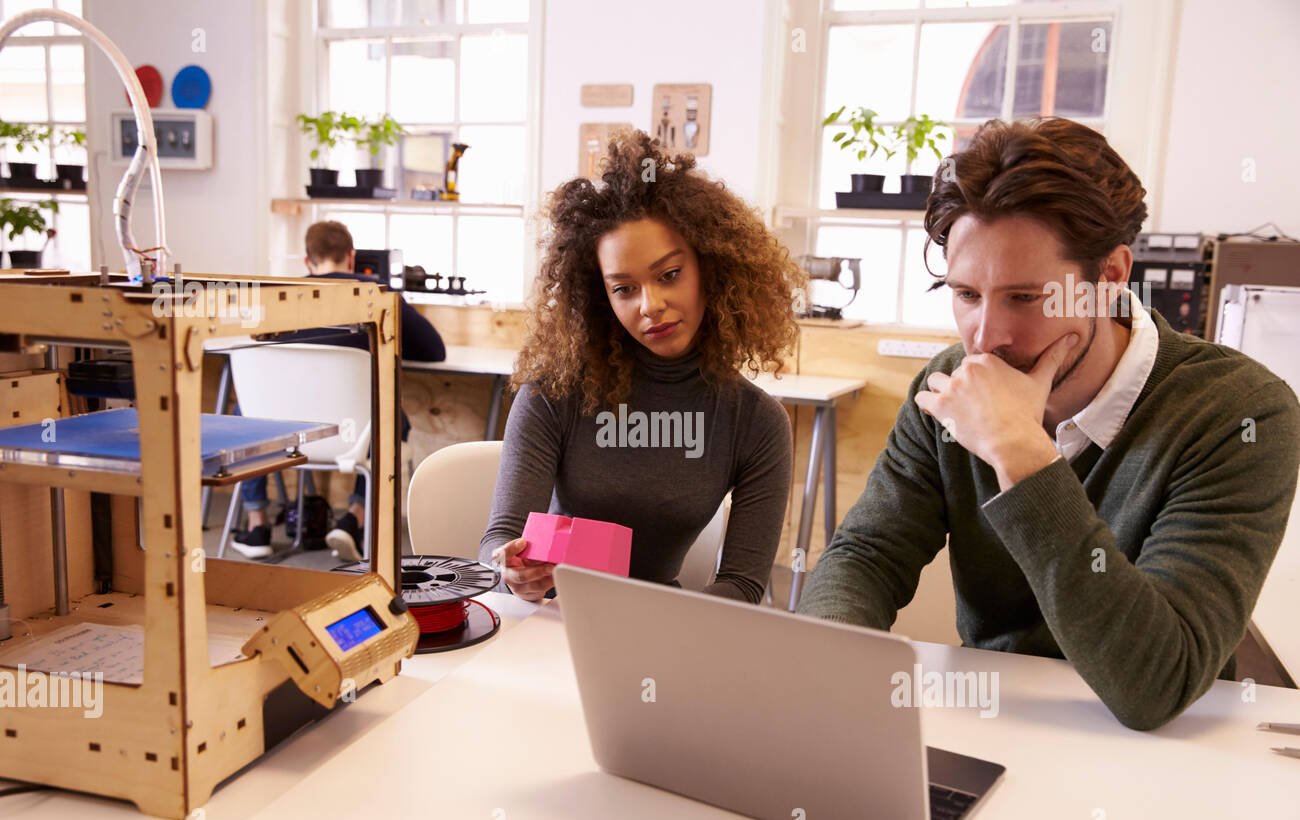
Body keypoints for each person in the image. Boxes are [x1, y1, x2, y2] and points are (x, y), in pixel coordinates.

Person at [797, 117, 1300, 731]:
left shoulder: (1239, 410)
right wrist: (826, 677)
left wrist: (1022, 452)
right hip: (1002, 724)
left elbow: (1156, 685)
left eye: (1025, 298)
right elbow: (868, 556)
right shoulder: (950, 384)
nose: (985, 338)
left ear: (1111, 275)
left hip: (1162, 757)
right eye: (965, 294)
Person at [479, 130, 801, 603]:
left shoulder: (756, 424)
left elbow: (745, 583)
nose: (650, 305)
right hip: (551, 621)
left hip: (669, 631)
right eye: (624, 288)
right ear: (600, 297)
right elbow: (499, 539)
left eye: (670, 275)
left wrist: (666, 627)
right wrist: (509, 567)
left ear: (710, 269)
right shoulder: (552, 396)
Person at [230, 220, 446, 560]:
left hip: (286, 435)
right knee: (392, 418)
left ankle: (257, 525)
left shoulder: (279, 296)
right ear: (351, 257)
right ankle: (354, 519)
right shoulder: (377, 294)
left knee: (242, 414)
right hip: (349, 438)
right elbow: (434, 349)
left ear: (307, 262)